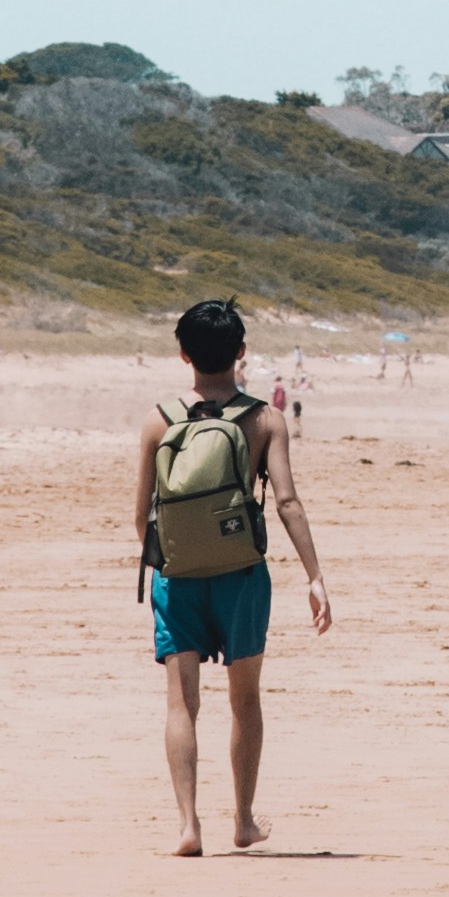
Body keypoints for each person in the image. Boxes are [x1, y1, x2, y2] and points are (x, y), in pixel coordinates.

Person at [132, 294, 328, 856]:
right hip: (243, 574)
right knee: (244, 700)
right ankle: (242, 820)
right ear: (241, 352)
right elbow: (287, 501)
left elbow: (139, 513)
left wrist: (179, 556)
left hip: (178, 574)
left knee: (180, 704)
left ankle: (189, 826)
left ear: (182, 354)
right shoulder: (265, 419)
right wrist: (315, 576)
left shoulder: (159, 420)